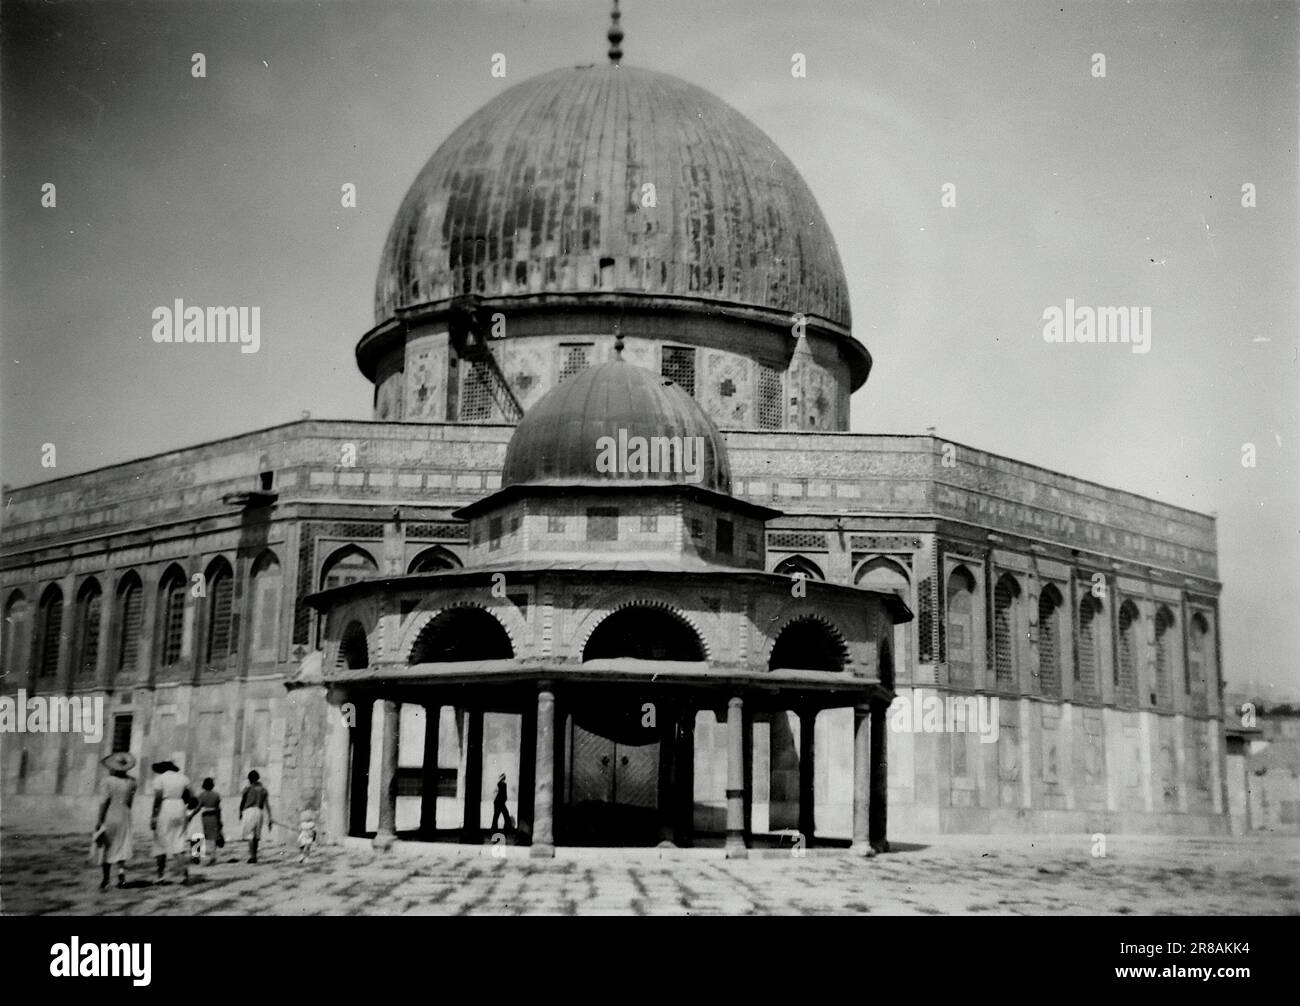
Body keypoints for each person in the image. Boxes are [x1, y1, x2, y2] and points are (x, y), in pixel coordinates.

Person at [94, 752, 137, 890]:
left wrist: (100, 820)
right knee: (122, 844)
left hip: (111, 815)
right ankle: (121, 876)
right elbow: (130, 802)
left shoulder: (107, 781)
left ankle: (106, 878)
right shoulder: (131, 781)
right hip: (125, 815)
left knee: (108, 846)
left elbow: (104, 802)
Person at [150, 760, 195, 884]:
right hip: (180, 806)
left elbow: (158, 798)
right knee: (178, 841)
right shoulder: (183, 778)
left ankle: (160, 876)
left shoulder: (160, 779)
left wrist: (153, 816)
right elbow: (191, 796)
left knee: (160, 842)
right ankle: (184, 874)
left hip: (166, 806)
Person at [239, 770, 273, 863]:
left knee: (250, 835)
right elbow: (267, 804)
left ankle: (252, 856)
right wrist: (270, 817)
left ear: (249, 779)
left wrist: (240, 813)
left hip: (248, 811)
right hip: (259, 811)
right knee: (256, 835)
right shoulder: (263, 790)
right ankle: (255, 855)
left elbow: (242, 802)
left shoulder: (247, 789)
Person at [189, 777, 223, 865]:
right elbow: (218, 808)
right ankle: (213, 857)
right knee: (213, 837)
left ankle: (196, 855)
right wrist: (220, 820)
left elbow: (198, 807)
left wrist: (191, 815)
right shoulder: (217, 795)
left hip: (205, 816)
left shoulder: (201, 795)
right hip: (214, 816)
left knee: (197, 835)